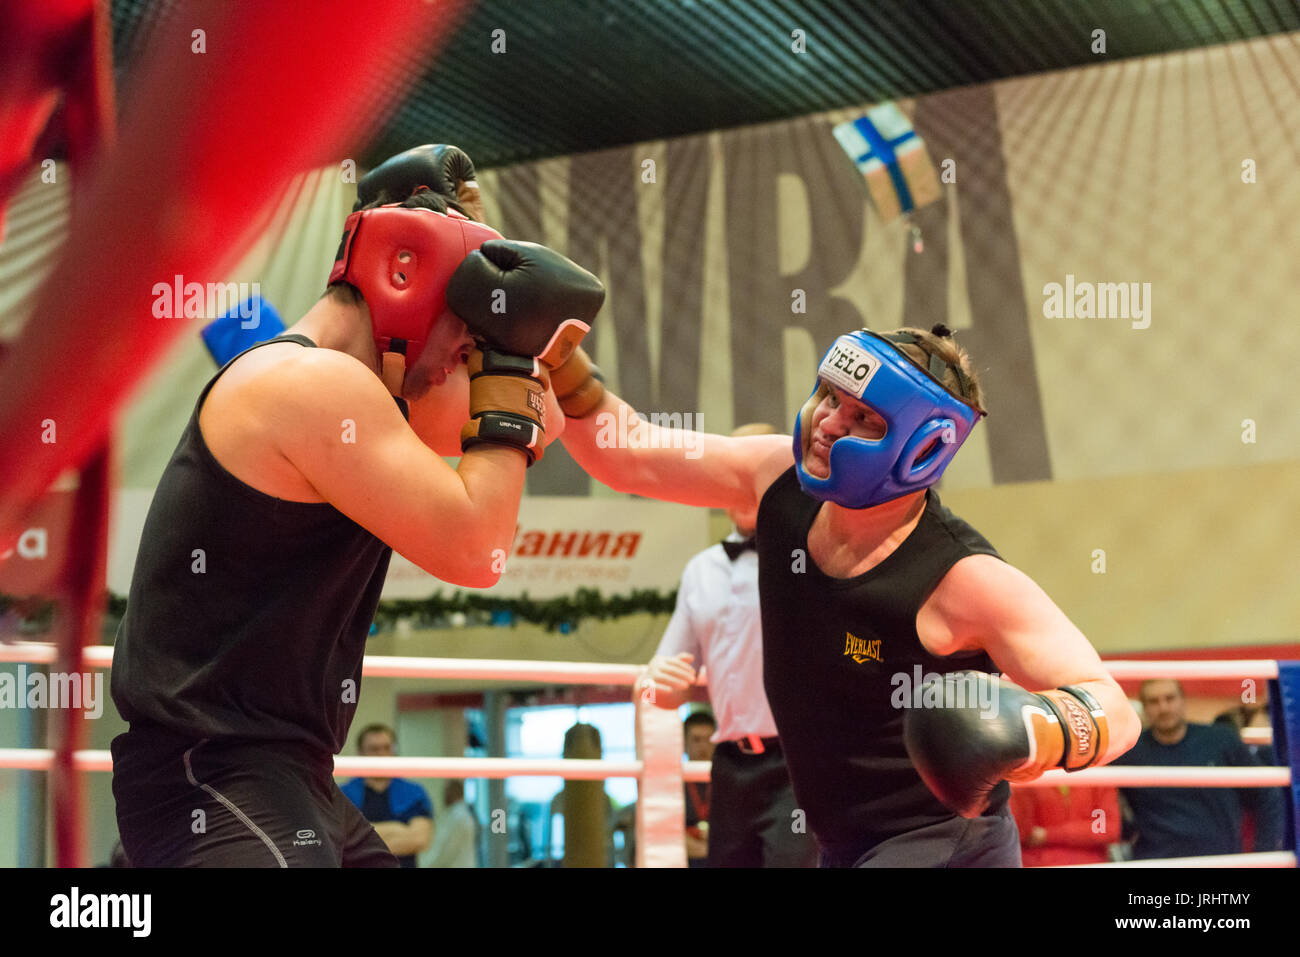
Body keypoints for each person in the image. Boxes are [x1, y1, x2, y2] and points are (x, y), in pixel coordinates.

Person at [109, 145, 606, 867]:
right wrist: (504, 351)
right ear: (405, 283)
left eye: (476, 342)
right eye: (463, 333)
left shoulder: (370, 400)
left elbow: (543, 423)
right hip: (211, 775)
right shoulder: (306, 384)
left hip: (287, 775)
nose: (463, 355)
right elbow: (477, 548)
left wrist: (517, 321)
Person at [559, 323, 1141, 867]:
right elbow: (628, 452)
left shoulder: (962, 577)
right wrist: (557, 357)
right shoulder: (775, 478)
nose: (830, 423)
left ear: (924, 448)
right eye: (830, 397)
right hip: (842, 845)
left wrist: (1038, 730)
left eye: (862, 417)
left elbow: (1115, 711)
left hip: (942, 847)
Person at [641, 439, 818, 866]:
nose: (743, 488)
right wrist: (656, 685)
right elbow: (668, 682)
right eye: (733, 476)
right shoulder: (701, 570)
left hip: (799, 759)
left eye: (754, 475)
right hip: (730, 766)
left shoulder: (814, 556)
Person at [1115, 679, 1284, 859]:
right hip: (1156, 861)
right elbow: (1109, 809)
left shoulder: (1220, 739)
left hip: (1219, 861)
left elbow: (1267, 795)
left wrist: (1263, 854)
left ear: (1183, 701)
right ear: (1144, 708)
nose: (1163, 708)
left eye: (1170, 698)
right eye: (1153, 701)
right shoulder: (1130, 752)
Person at [340, 724, 433, 868]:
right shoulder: (343, 794)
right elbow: (341, 841)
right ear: (360, 754)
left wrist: (362, 839)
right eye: (374, 749)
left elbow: (419, 840)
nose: (381, 754)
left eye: (387, 748)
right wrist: (398, 828)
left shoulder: (414, 793)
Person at [1007, 783, 1121, 866]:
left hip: (1089, 862)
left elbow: (1110, 829)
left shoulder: (1097, 771)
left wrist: (1047, 835)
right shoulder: (1027, 771)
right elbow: (1022, 832)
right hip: (1039, 862)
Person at [681, 711, 715, 866]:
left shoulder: (733, 779)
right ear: (684, 743)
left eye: (709, 739)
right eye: (696, 740)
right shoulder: (673, 783)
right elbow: (663, 832)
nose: (703, 746)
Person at [427, 779, 479, 868]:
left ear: (454, 791)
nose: (443, 795)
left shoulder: (458, 817)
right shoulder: (461, 814)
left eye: (446, 790)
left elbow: (445, 852)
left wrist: (427, 865)